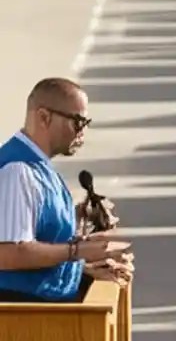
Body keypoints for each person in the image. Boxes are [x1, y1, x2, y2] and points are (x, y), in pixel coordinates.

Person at [0, 78, 132, 302]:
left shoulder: (38, 166)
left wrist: (80, 216)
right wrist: (77, 251)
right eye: (78, 121)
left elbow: (40, 229)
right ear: (44, 117)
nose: (82, 132)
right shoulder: (18, 170)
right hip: (25, 314)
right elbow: (9, 252)